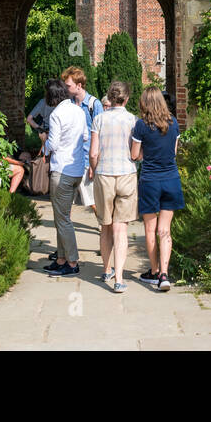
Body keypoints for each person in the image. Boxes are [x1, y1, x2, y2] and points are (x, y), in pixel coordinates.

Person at [89, 80, 138, 292]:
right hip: (126, 173)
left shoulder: (99, 119)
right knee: (121, 229)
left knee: (105, 226)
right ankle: (119, 278)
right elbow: (135, 152)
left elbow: (93, 153)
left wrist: (94, 168)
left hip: (104, 174)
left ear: (110, 97)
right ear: (126, 99)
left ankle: (106, 269)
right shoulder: (133, 120)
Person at [132, 87, 183, 291]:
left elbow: (135, 155)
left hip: (150, 181)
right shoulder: (174, 124)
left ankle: (153, 272)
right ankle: (164, 274)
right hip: (171, 179)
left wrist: (147, 152)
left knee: (150, 229)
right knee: (165, 230)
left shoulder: (141, 126)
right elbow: (173, 153)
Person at [42, 78, 87, 276]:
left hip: (61, 170)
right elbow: (85, 136)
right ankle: (61, 259)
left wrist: (43, 144)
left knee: (63, 219)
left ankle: (72, 262)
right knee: (61, 217)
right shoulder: (78, 110)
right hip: (77, 169)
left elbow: (53, 144)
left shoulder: (56, 114)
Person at [61, 66, 103, 212]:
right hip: (70, 160)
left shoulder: (94, 105)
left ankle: (104, 225)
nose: (65, 88)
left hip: (87, 159)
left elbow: (100, 136)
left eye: (68, 85)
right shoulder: (68, 104)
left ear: (79, 86)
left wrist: (94, 164)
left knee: (92, 199)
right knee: (64, 202)